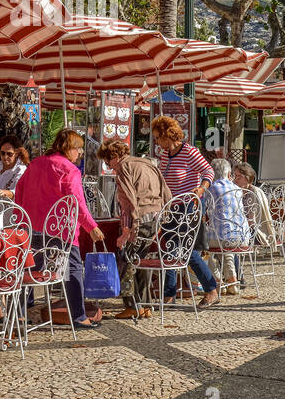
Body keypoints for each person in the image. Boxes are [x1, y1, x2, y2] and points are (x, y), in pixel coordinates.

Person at [13, 129, 106, 330]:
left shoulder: (36, 164)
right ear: (68, 148)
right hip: (59, 231)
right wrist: (92, 227)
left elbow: (19, 191)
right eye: (78, 149)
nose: (80, 153)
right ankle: (79, 316)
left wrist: (23, 220)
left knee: (27, 270)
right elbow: (77, 203)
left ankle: (19, 315)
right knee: (73, 271)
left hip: (32, 228)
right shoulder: (69, 170)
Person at [151, 115, 221, 307]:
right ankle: (169, 294)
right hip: (170, 208)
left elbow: (209, 171)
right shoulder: (165, 155)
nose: (156, 141)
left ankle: (211, 290)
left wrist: (201, 188)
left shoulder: (190, 151)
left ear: (168, 135)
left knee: (187, 251)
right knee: (170, 251)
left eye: (158, 137)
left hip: (189, 207)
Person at [100, 138, 169, 320]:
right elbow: (166, 191)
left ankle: (132, 305)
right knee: (141, 260)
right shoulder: (147, 164)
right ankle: (144, 306)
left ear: (114, 157)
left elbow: (128, 204)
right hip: (155, 218)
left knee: (126, 259)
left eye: (108, 162)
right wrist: (163, 217)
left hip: (141, 219)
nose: (110, 167)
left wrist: (126, 232)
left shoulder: (124, 169)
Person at [203, 157, 251, 296]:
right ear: (229, 174)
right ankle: (233, 281)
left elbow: (202, 210)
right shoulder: (237, 188)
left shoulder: (210, 189)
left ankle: (218, 282)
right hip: (242, 238)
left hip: (222, 239)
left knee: (203, 247)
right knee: (224, 242)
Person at [233, 161, 278, 248]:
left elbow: (252, 221)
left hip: (257, 233)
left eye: (238, 176)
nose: (235, 179)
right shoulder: (238, 192)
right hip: (244, 230)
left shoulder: (254, 192)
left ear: (247, 178)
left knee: (228, 236)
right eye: (235, 176)